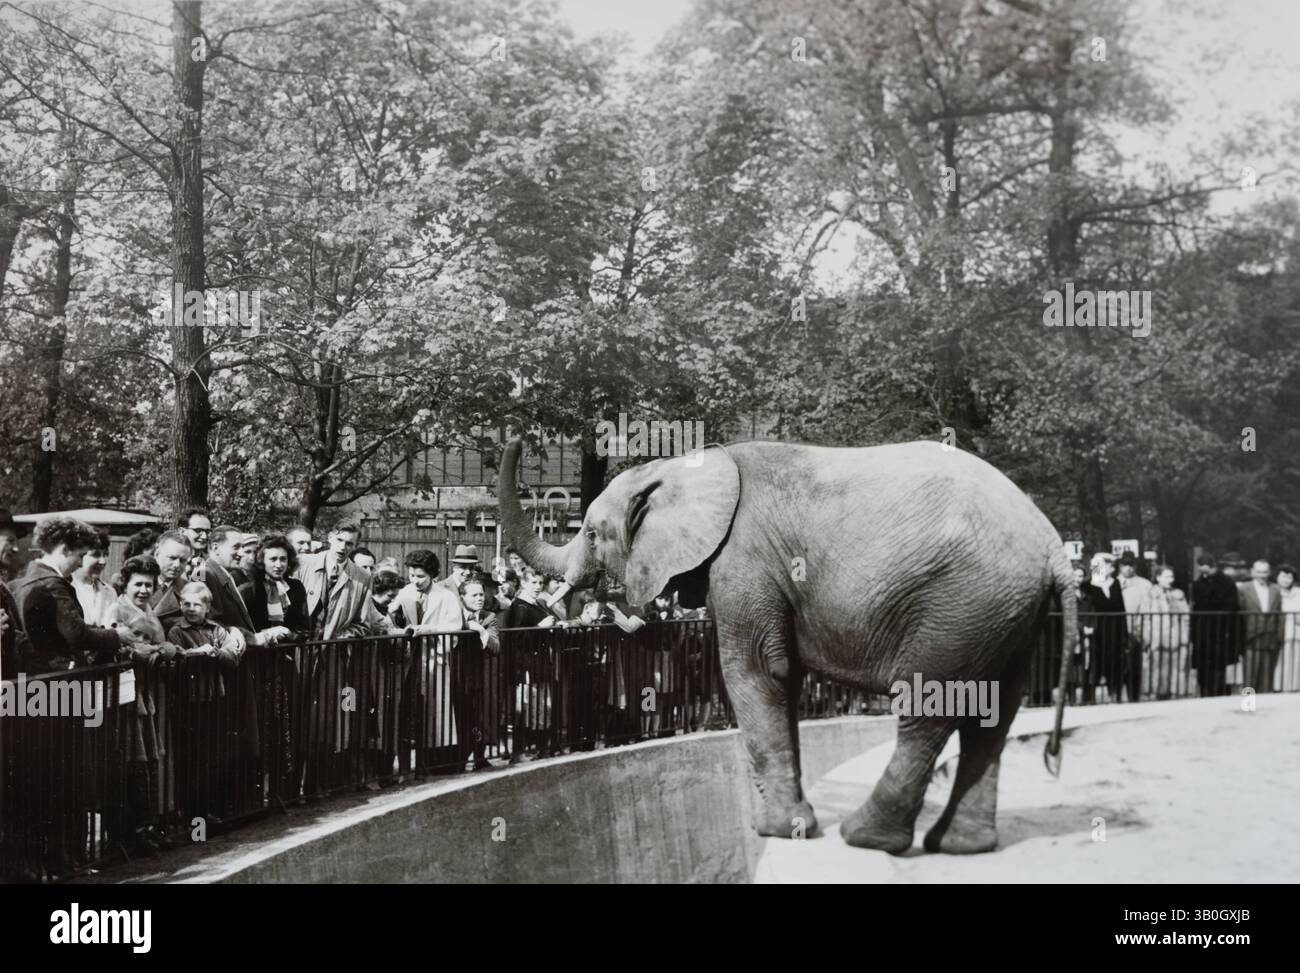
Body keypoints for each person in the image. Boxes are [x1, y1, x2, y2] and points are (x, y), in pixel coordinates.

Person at [104, 555, 180, 855]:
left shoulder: (148, 609)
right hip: (126, 694)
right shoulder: (118, 608)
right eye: (138, 584)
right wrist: (156, 651)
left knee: (149, 759)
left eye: (149, 584)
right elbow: (123, 647)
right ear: (127, 583)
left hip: (147, 692)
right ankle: (129, 834)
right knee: (133, 760)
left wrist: (166, 650)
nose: (144, 590)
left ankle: (145, 828)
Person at [9, 517, 132, 672]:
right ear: (64, 549)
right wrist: (116, 635)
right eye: (81, 555)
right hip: (55, 678)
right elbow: (76, 634)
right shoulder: (52, 584)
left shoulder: (23, 578)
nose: (81, 563)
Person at [394, 550, 463, 771]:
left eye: (420, 576)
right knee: (409, 709)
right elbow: (391, 617)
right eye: (412, 576)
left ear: (432, 574)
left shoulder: (446, 596)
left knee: (435, 712)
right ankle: (406, 765)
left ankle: (432, 762)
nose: (415, 581)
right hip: (409, 659)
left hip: (434, 658)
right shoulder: (405, 593)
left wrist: (429, 629)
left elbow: (454, 627)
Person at [458, 578, 501, 770]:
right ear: (462, 597)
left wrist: (481, 630)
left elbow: (495, 646)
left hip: (478, 675)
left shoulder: (489, 616)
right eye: (474, 595)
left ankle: (478, 756)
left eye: (481, 594)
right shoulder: (455, 614)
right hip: (456, 673)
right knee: (460, 716)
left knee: (479, 715)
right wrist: (467, 626)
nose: (479, 598)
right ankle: (457, 758)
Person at [1136, 565, 1190, 699]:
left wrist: (1184, 635)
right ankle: (1154, 692)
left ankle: (1175, 691)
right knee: (1155, 665)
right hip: (1156, 635)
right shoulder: (1150, 594)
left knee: (1177, 665)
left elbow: (1186, 617)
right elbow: (1144, 617)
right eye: (1167, 577)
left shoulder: (1178, 594)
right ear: (1158, 578)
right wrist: (1146, 635)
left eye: (1171, 576)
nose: (1170, 580)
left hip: (1176, 636)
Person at [1190, 553, 1239, 696]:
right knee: (1204, 667)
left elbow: (1231, 606)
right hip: (1203, 632)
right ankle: (1205, 693)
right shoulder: (1198, 583)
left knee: (1219, 668)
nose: (1203, 574)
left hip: (1220, 631)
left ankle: (1220, 693)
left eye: (1206, 570)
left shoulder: (1226, 583)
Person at [1081, 553, 1125, 703]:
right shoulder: (1088, 586)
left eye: (1109, 565)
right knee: (1094, 666)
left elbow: (1121, 609)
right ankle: (1089, 699)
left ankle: (1115, 696)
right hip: (1096, 632)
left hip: (1114, 632)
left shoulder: (1116, 584)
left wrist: (1124, 635)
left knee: (1114, 665)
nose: (1108, 568)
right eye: (1102, 565)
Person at [1238, 559, 1282, 694]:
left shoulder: (1275, 589)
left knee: (1266, 677)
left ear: (1269, 573)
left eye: (1265, 572)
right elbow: (1240, 614)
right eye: (1258, 572)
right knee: (1250, 676)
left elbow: (1278, 614)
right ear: (1252, 572)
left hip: (1269, 638)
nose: (1262, 575)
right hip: (1251, 637)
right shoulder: (1244, 588)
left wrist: (1277, 636)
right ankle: (1248, 705)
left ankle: (1264, 708)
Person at [149, 531, 199, 634]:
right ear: (156, 554)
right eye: (172, 558)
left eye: (182, 560)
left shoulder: (191, 591)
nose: (177, 565)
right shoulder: (135, 584)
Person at [1117, 553, 1152, 701]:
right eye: (1125, 565)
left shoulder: (1144, 584)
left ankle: (1134, 698)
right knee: (1118, 666)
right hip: (1118, 631)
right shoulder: (1113, 582)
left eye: (1131, 565)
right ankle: (1116, 697)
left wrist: (1143, 632)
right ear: (1120, 566)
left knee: (1134, 667)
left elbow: (1146, 610)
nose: (1128, 568)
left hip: (1135, 630)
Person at [69, 530, 116, 626]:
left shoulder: (110, 592)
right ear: (80, 555)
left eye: (105, 554)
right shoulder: (66, 588)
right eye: (96, 555)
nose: (102, 561)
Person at [1276, 564, 1300, 692]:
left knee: (1296, 661)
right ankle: (1281, 687)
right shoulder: (1274, 591)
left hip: (1296, 632)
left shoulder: (1298, 592)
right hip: (1281, 633)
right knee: (1282, 661)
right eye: (1283, 577)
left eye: (1289, 577)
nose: (1286, 580)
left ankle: (1294, 687)